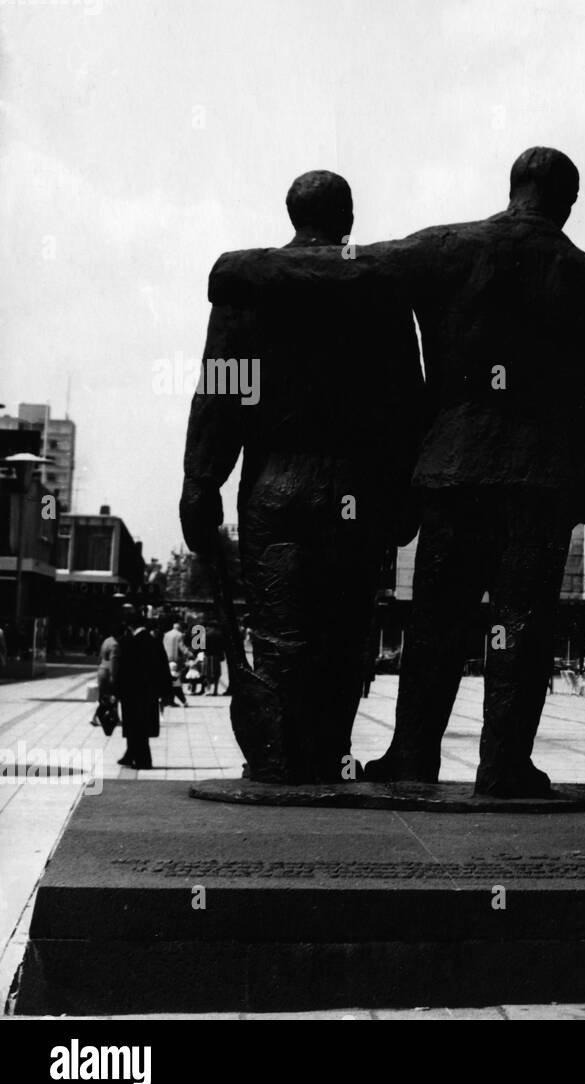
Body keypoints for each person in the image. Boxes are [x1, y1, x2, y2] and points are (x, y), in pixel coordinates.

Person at [209, 148, 585, 798]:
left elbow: (351, 264)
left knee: (436, 619)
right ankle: (503, 765)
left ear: (512, 185)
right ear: (568, 201)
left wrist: (240, 267)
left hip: (453, 469)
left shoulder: (448, 248)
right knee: (521, 622)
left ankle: (411, 754)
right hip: (540, 479)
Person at [183, 169, 425, 782]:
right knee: (345, 633)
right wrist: (404, 492)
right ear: (347, 219)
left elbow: (223, 390)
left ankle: (280, 760)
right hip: (357, 489)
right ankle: (326, 758)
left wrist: (201, 479)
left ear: (293, 215)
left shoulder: (251, 287)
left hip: (276, 484)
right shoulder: (381, 291)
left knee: (282, 630)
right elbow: (405, 401)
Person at [115, 609, 171, 770]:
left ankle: (143, 760)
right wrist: (165, 692)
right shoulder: (153, 641)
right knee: (141, 724)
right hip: (149, 692)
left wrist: (116, 691)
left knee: (135, 726)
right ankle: (130, 754)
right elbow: (163, 667)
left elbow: (123, 670)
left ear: (129, 625)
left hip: (132, 692)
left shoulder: (129, 642)